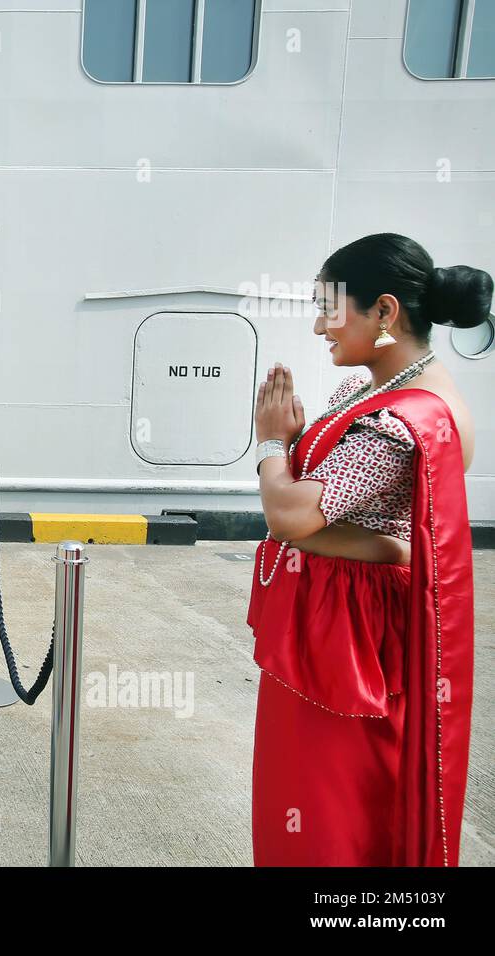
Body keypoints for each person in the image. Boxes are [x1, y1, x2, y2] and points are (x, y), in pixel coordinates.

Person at [247, 233, 487, 866]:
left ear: (384, 312)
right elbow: (387, 532)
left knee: (329, 807)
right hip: (336, 626)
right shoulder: (383, 396)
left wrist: (272, 444)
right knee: (316, 801)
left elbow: (292, 511)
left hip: (349, 644)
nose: (320, 324)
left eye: (331, 306)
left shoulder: (402, 418)